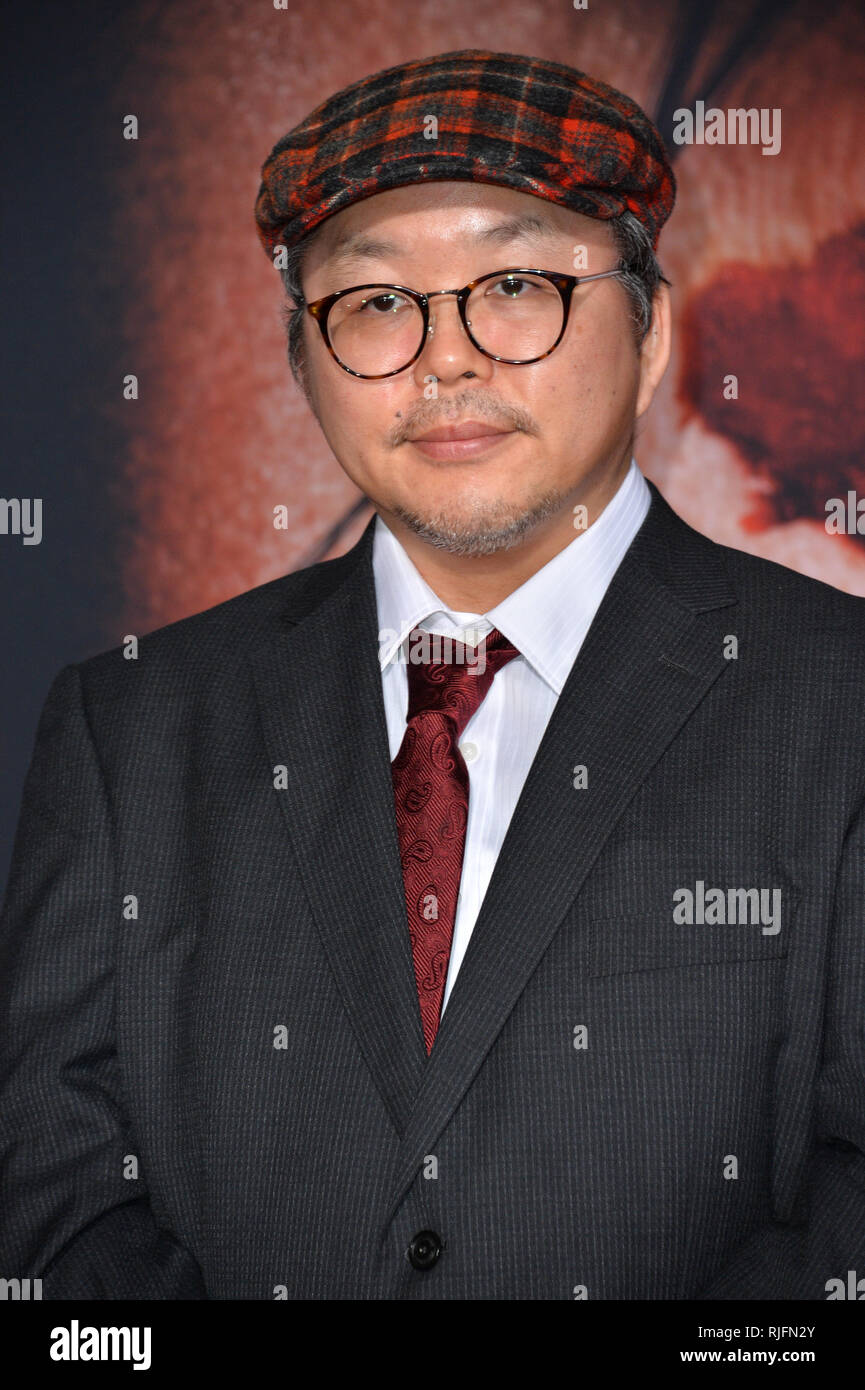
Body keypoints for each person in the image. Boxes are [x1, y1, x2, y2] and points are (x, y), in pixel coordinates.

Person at [1, 48, 863, 1301]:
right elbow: (53, 1196)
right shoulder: (131, 726)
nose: (444, 358)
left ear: (652, 326)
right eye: (375, 304)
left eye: (515, 282)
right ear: (303, 361)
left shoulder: (835, 700)